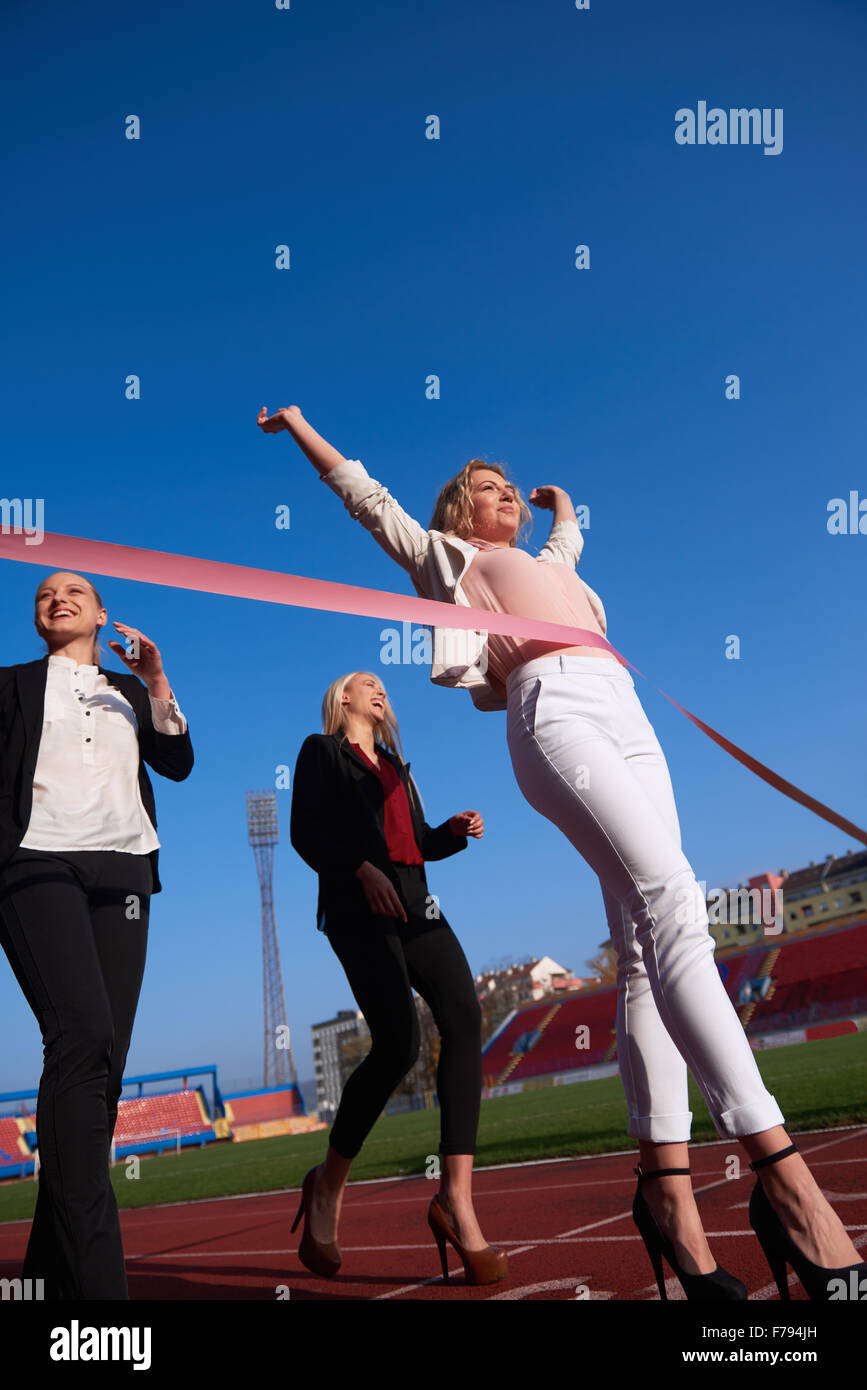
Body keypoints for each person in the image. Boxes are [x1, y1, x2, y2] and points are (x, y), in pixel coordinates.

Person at [260, 403, 866, 1302]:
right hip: (556, 709)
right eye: (487, 488)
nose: (506, 494)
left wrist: (566, 511)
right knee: (674, 904)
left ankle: (671, 1208)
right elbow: (369, 500)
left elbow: (567, 555)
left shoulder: (544, 560)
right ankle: (785, 1178)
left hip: (626, 711)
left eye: (512, 488)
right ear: (459, 512)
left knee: (637, 949)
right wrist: (308, 430)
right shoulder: (454, 560)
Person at [0, 571, 193, 1299]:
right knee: (79, 1034)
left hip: (124, 870)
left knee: (103, 1065)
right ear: (36, 618)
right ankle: (101, 1301)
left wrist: (157, 678)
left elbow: (176, 763)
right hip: (33, 863)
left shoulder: (132, 691)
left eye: (75, 590)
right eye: (44, 593)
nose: (58, 597)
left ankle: (44, 1282)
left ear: (102, 613)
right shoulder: (10, 685)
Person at [289, 668, 508, 1286]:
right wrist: (360, 868)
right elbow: (305, 832)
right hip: (359, 905)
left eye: (383, 683)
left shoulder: (396, 763)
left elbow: (417, 844)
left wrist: (453, 832)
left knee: (465, 1017)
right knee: (399, 1045)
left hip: (416, 902)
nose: (379, 688)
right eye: (366, 682)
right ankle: (328, 1186)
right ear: (343, 699)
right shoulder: (320, 751)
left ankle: (456, 1202)